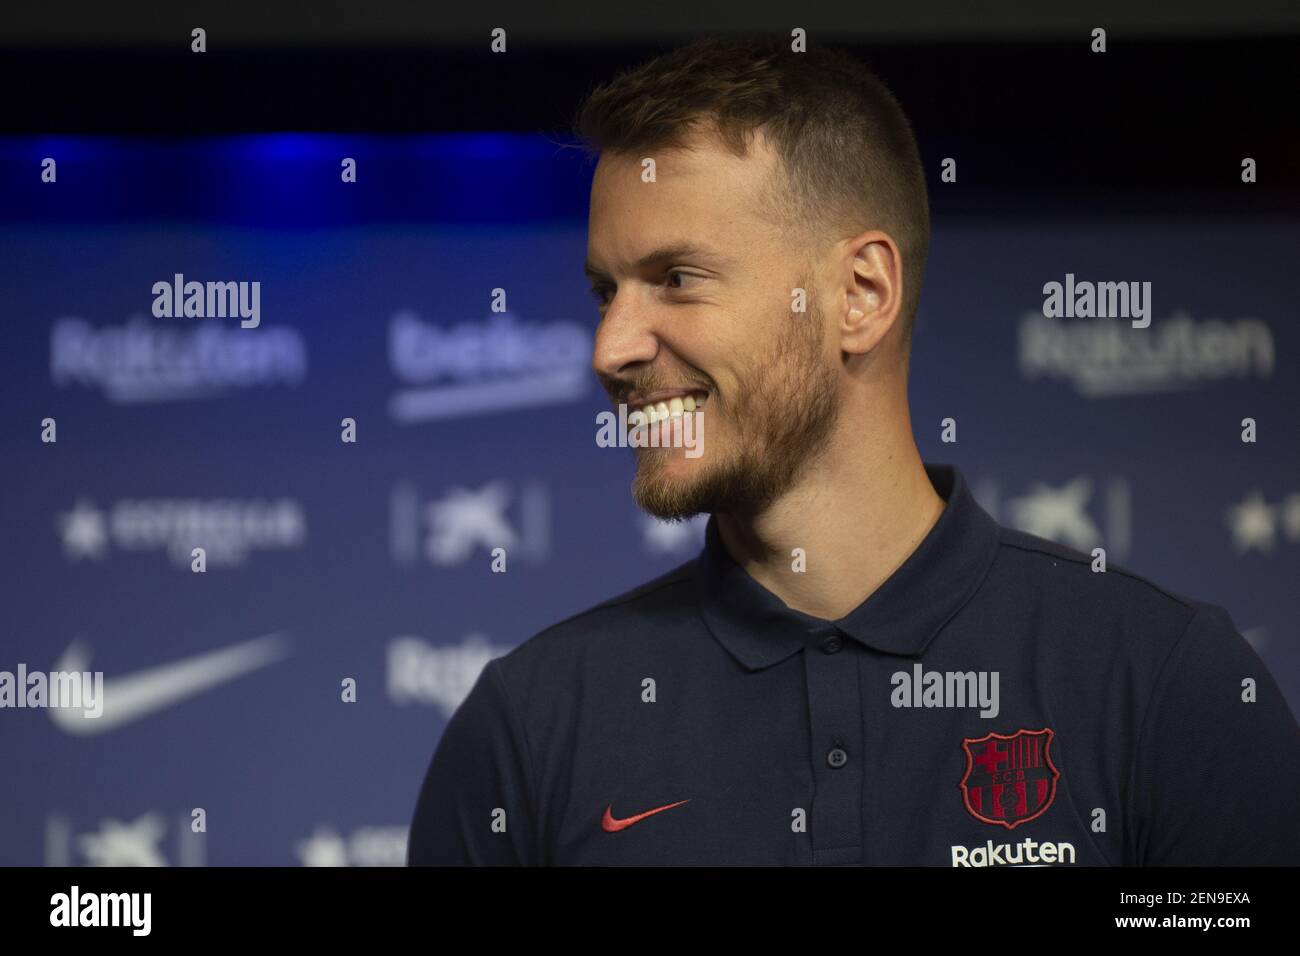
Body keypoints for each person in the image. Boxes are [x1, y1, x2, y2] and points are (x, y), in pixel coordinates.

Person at [408, 36, 1300, 866]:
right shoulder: (526, 729)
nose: (610, 349)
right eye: (607, 292)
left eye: (676, 278)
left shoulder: (1165, 686)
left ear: (861, 294)